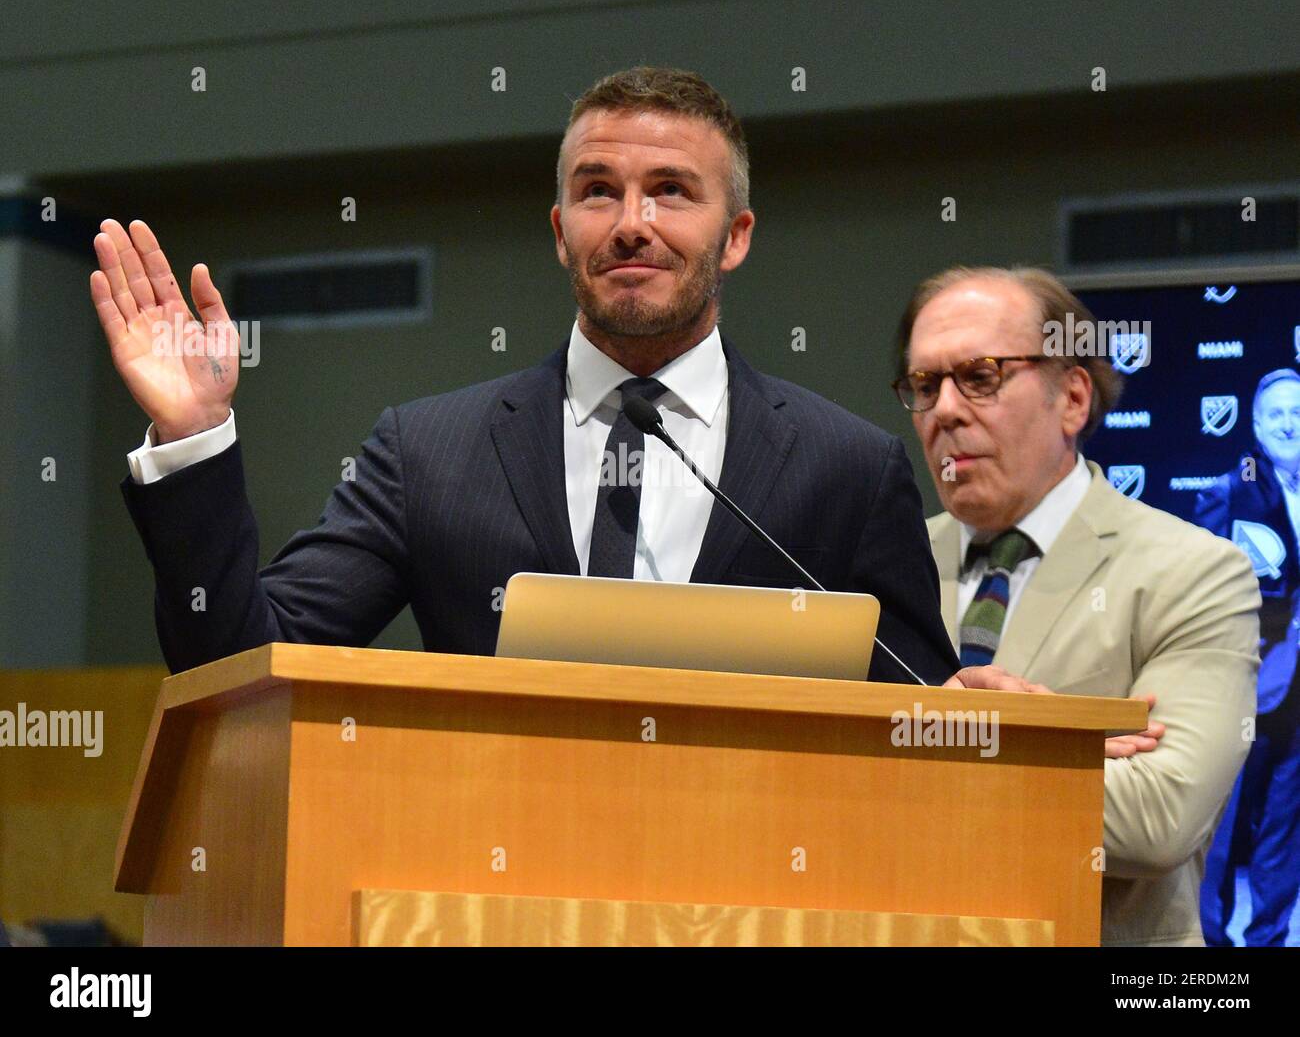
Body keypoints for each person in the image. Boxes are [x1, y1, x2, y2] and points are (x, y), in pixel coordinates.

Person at [92, 66, 985, 688]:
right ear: (561, 232)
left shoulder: (846, 469)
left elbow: (919, 715)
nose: (631, 223)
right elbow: (237, 661)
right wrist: (193, 436)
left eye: (672, 191)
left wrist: (975, 718)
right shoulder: (427, 454)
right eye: (598, 190)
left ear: (736, 236)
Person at [896, 265, 1260, 945]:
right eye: (924, 385)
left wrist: (928, 748)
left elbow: (1159, 818)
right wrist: (1054, 747)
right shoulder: (882, 564)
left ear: (1071, 398)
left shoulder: (1194, 571)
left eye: (979, 376)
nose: (944, 410)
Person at [1195, 368, 1300, 945]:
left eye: (1298, 413)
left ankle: (1269, 941)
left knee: (1286, 830)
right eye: (1276, 414)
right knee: (1224, 829)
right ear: (1257, 426)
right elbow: (1202, 594)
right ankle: (1210, 946)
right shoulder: (1231, 492)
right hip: (1247, 688)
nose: (1288, 424)